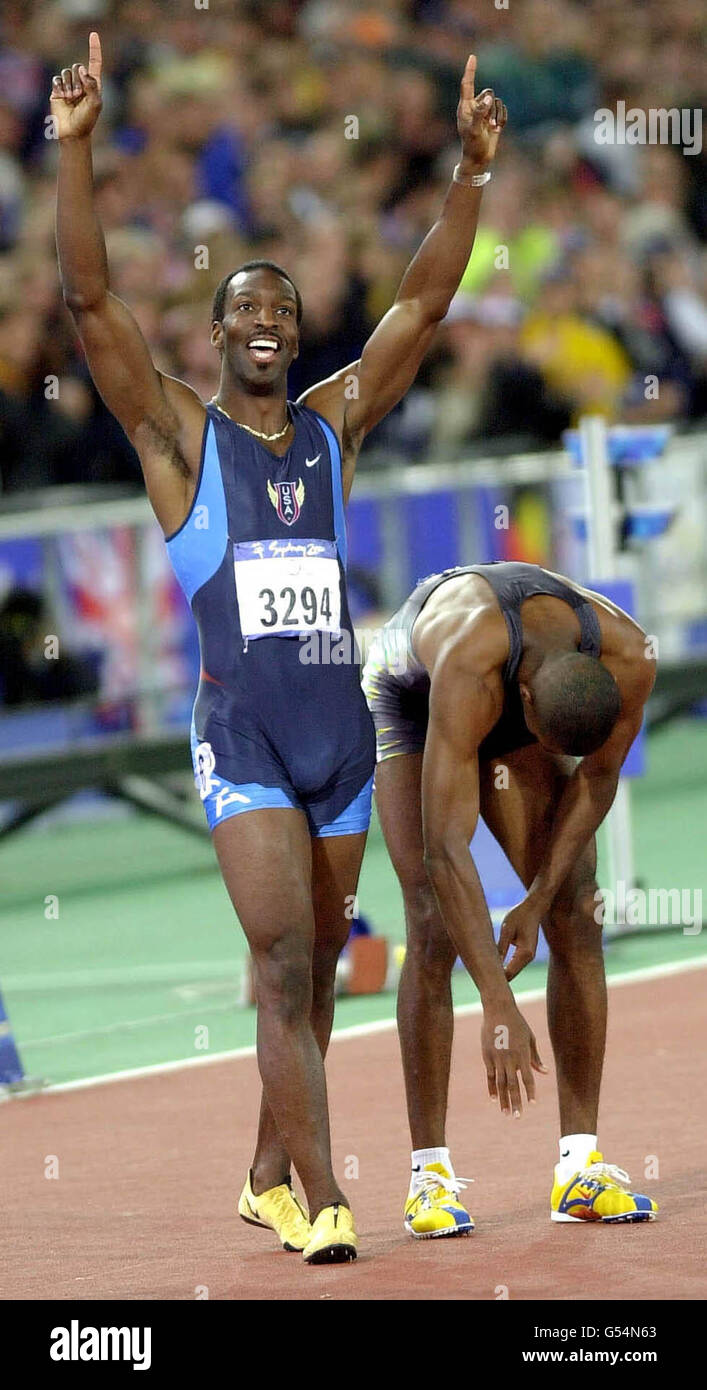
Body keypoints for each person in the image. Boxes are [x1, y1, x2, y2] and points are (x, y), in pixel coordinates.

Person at [52, 33, 507, 1264]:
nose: (264, 318)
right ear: (211, 336)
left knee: (314, 971)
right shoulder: (177, 440)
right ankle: (322, 1196)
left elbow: (420, 304)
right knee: (283, 964)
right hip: (244, 736)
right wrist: (76, 150)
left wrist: (466, 178)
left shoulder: (331, 431)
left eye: (282, 308)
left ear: (296, 336)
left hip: (341, 744)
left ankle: (263, 1171)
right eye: (243, 306)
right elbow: (91, 302)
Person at [363, 560, 659, 1237]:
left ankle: (579, 1168)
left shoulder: (628, 658)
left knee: (575, 911)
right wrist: (497, 1001)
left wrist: (536, 897)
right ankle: (428, 1178)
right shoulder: (469, 663)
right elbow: (446, 847)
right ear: (525, 703)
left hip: (514, 685)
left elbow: (597, 777)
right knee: (432, 922)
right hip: (413, 695)